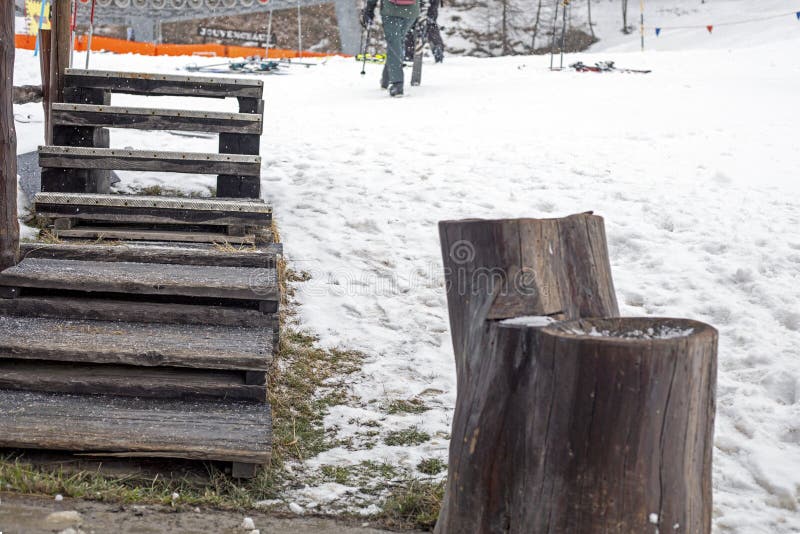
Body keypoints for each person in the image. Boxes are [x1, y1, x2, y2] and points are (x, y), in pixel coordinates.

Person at [360, 0, 420, 97]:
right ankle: (386, 79)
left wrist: (370, 9)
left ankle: (397, 83)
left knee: (394, 44)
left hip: (391, 10)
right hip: (411, 11)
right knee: (396, 44)